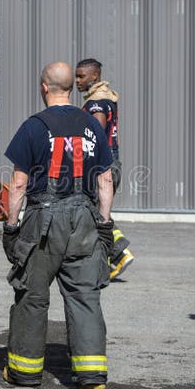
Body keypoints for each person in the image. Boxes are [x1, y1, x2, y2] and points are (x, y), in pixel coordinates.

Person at [2, 61, 114, 389]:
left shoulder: (33, 126)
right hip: (83, 219)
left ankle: (24, 372)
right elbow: (105, 180)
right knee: (84, 295)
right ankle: (92, 375)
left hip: (43, 221)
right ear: (69, 87)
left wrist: (11, 227)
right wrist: (105, 225)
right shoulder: (92, 125)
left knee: (32, 295)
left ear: (43, 87)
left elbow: (19, 184)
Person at [75, 58, 133, 279]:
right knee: (96, 211)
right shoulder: (107, 97)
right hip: (111, 162)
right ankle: (110, 258)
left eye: (81, 76)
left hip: (100, 166)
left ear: (94, 77)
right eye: (76, 76)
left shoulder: (96, 103)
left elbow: (95, 135)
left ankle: (118, 253)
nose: (77, 81)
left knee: (92, 212)